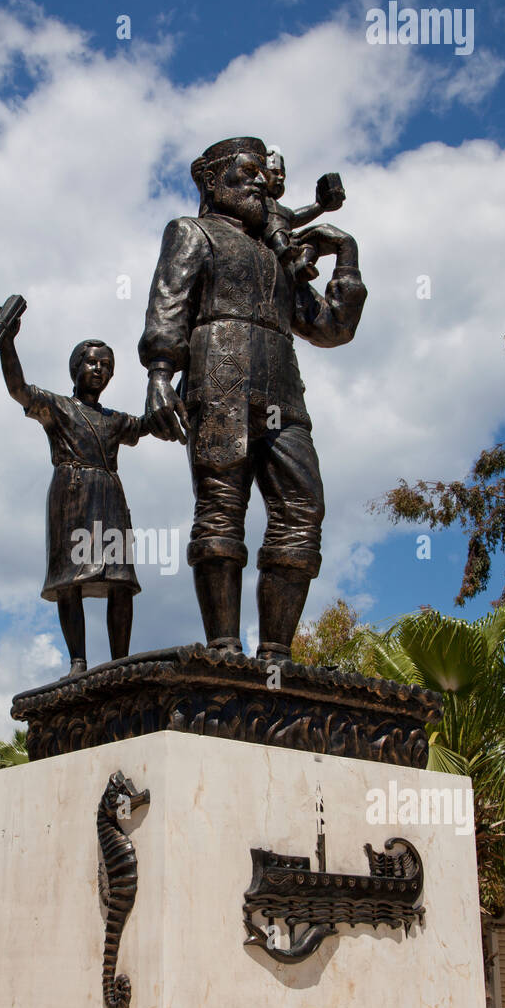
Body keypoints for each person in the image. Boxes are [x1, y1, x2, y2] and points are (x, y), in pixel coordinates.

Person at [139, 135, 367, 658]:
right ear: (213, 181)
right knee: (221, 511)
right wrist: (159, 373)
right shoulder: (192, 232)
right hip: (219, 381)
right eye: (246, 173)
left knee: (302, 510)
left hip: (283, 393)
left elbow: (331, 328)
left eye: (263, 173)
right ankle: (223, 646)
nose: (260, 181)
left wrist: (347, 257)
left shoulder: (278, 254)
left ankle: (276, 656)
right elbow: (169, 304)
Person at [0, 303, 150, 675]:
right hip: (73, 492)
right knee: (70, 580)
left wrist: (174, 385)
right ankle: (78, 661)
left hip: (110, 495)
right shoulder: (58, 407)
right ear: (76, 368)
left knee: (121, 579)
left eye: (107, 365)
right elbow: (18, 389)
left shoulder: (114, 419)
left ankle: (119, 661)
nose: (100, 370)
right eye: (93, 363)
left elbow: (148, 425)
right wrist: (8, 344)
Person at [263, 149, 346, 283]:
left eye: (283, 175)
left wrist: (320, 205)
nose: (280, 178)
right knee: (277, 222)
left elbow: (295, 217)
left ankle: (302, 266)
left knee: (314, 237)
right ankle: (281, 249)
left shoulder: (281, 209)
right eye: (275, 172)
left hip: (290, 243)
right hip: (277, 244)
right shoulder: (258, 203)